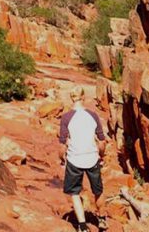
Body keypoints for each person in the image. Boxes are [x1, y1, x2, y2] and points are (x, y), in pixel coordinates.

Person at [59, 87, 107, 232]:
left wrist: (62, 158)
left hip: (74, 158)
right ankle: (102, 219)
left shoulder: (66, 117)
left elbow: (62, 143)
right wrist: (101, 155)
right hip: (92, 157)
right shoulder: (93, 115)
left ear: (71, 98)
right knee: (98, 190)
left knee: (74, 192)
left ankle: (82, 226)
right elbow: (102, 141)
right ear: (83, 97)